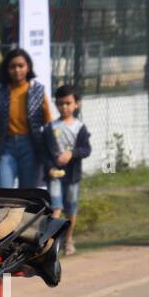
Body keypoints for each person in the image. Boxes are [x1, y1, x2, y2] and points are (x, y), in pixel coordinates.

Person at [0, 47, 52, 189]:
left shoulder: (38, 91)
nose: (17, 70)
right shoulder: (1, 93)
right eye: (12, 67)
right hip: (7, 147)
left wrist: (51, 154)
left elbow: (49, 125)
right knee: (3, 191)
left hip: (31, 147)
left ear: (28, 67)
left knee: (27, 196)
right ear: (6, 69)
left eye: (21, 66)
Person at [43, 84, 91, 256]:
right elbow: (45, 152)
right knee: (56, 207)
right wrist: (49, 168)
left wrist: (72, 153)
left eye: (68, 103)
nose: (64, 107)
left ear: (76, 104)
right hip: (54, 176)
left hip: (72, 177)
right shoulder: (50, 128)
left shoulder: (80, 128)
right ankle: (51, 243)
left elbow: (86, 149)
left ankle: (68, 240)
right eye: (61, 103)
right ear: (56, 104)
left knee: (71, 208)